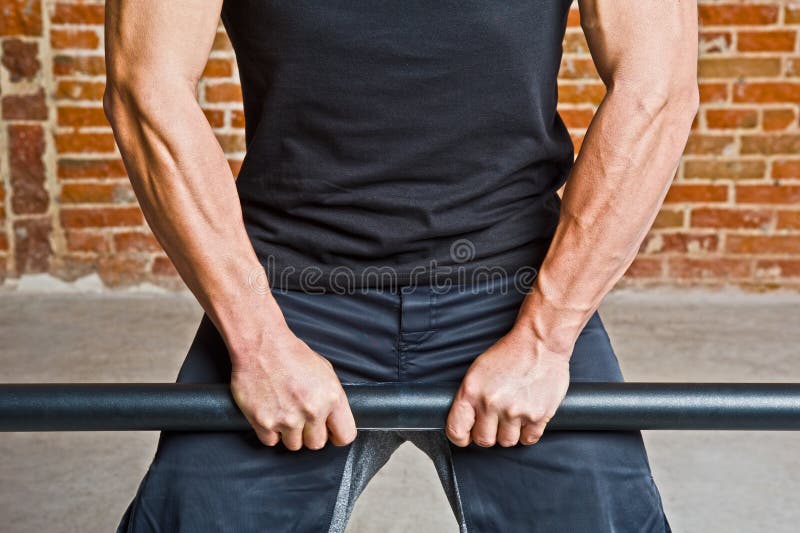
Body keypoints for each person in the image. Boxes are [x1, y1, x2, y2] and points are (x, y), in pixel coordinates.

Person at [105, 0, 697, 531]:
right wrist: (257, 343)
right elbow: (145, 86)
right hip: (289, 295)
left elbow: (658, 86)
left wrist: (544, 340)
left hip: (511, 291)